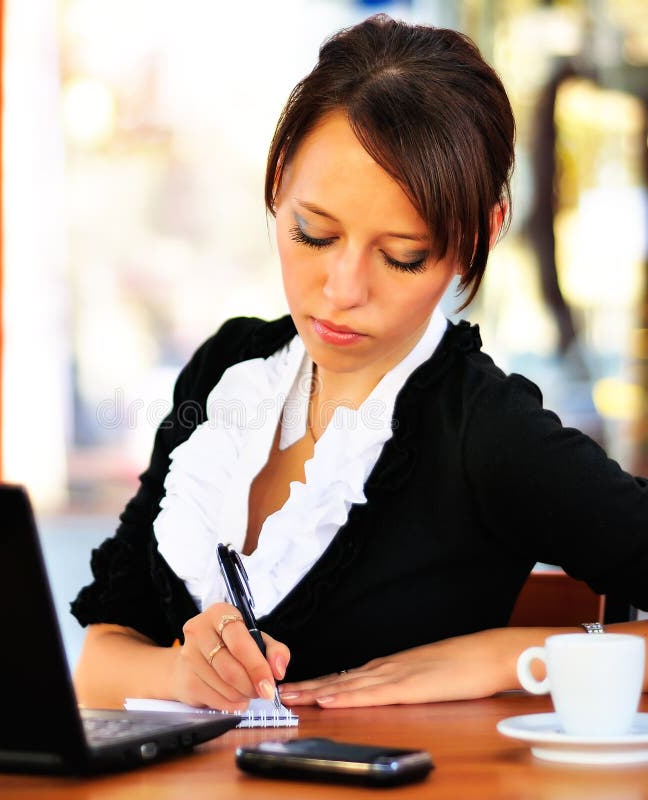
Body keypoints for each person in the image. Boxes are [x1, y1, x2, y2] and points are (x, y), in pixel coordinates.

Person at [70, 13, 648, 712]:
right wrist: (183, 676)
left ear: (479, 236)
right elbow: (99, 663)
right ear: (278, 182)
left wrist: (509, 655)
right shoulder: (230, 371)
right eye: (313, 234)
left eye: (402, 254)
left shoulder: (485, 433)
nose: (343, 292)